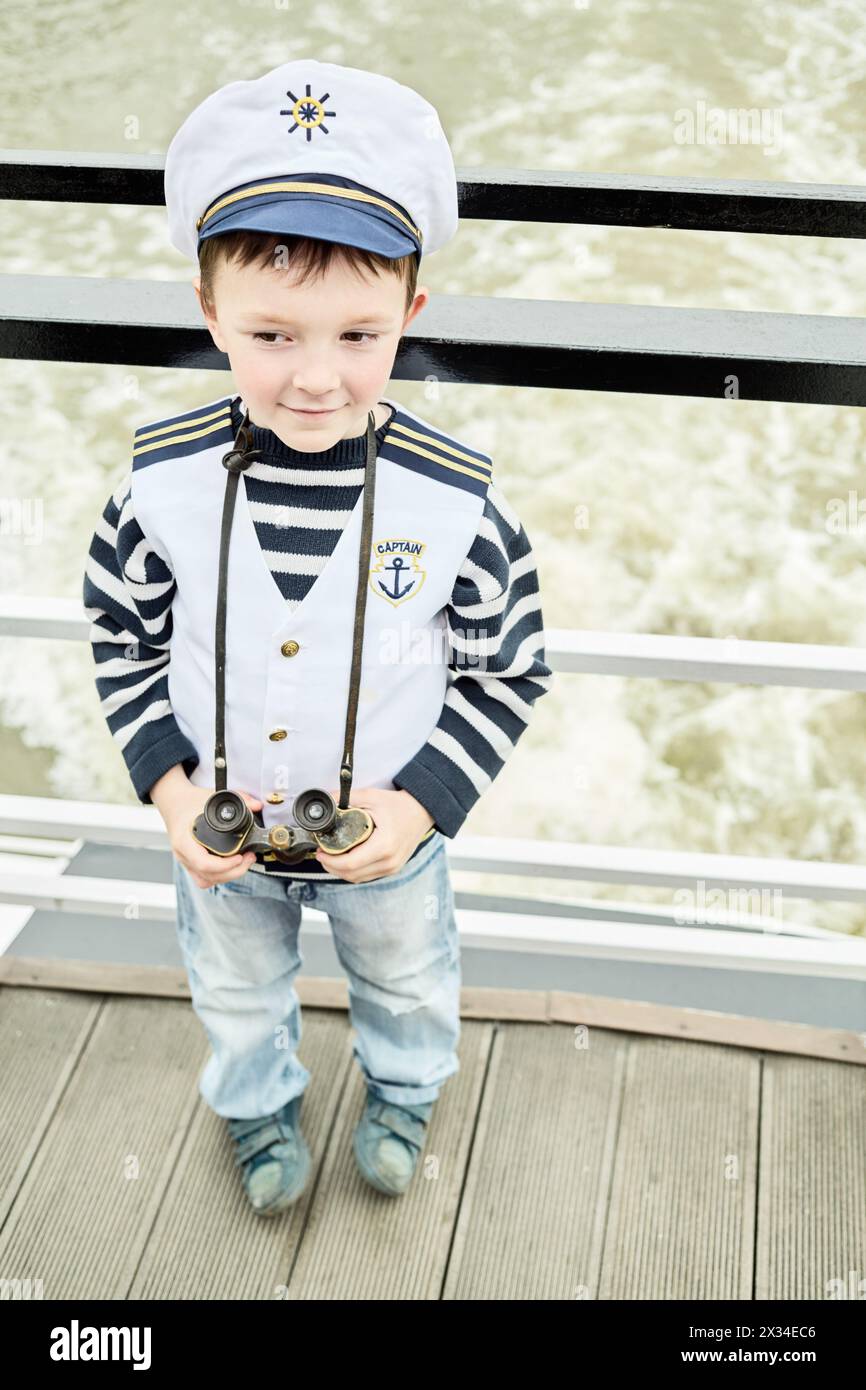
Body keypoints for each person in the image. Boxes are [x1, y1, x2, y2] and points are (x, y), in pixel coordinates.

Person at [82, 58, 553, 1214]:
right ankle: (254, 1105)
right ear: (209, 314)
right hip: (221, 835)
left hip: (388, 831)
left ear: (410, 316)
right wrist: (169, 793)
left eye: (356, 334)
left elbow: (509, 665)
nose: (315, 377)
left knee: (405, 975)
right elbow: (122, 635)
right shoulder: (158, 490)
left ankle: (401, 1090)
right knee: (235, 989)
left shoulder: (457, 506)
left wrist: (421, 803)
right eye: (273, 334)